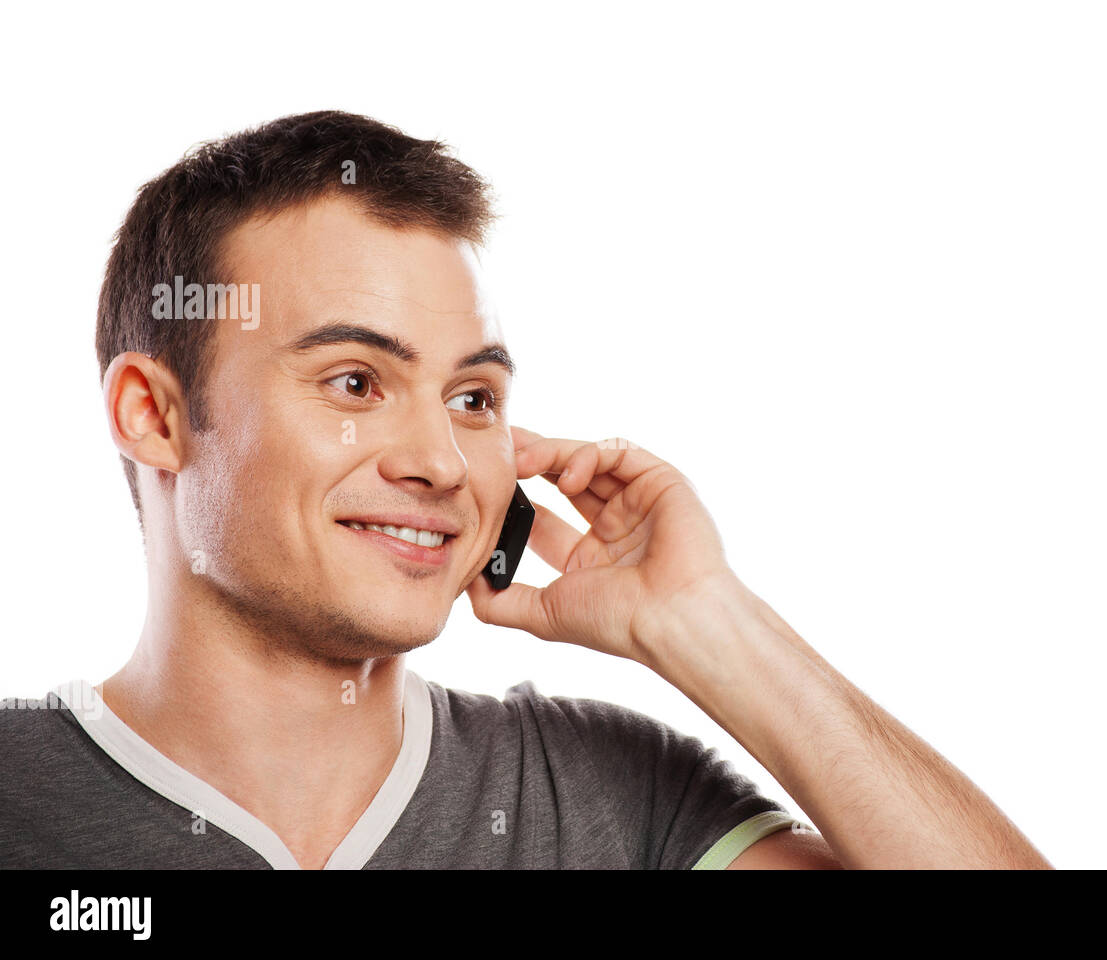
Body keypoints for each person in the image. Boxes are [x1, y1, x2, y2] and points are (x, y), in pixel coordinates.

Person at [0, 111, 1050, 870]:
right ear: (155, 414)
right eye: (357, 382)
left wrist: (705, 624)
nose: (444, 463)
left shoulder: (600, 797)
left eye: (471, 398)